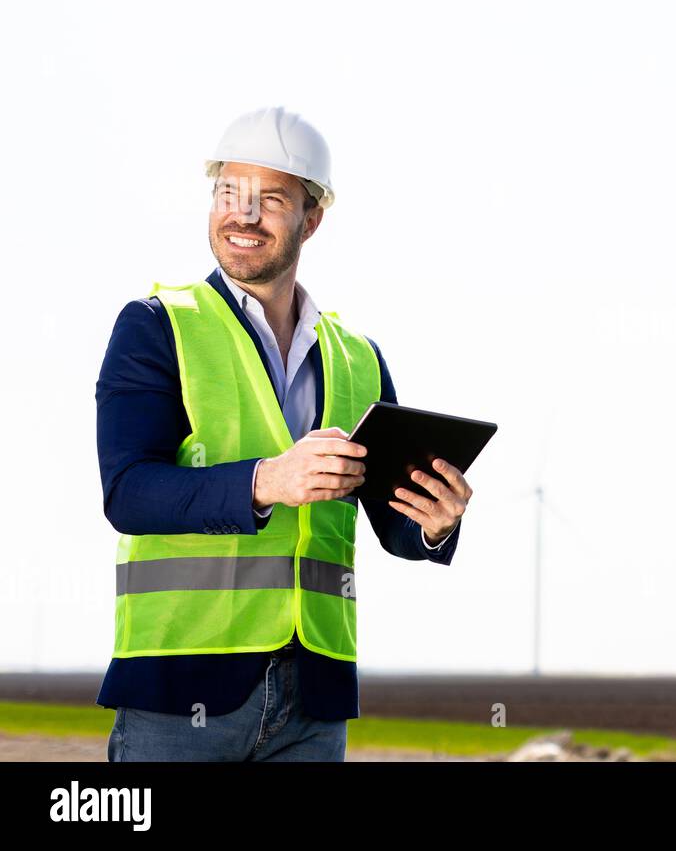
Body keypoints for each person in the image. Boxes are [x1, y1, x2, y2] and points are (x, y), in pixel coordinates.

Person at [96, 106, 472, 761]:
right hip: (179, 694)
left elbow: (396, 526)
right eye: (229, 194)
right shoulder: (158, 327)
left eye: (269, 200)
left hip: (313, 700)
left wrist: (436, 522)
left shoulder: (359, 360)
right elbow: (128, 492)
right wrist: (267, 481)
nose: (242, 216)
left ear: (312, 219)